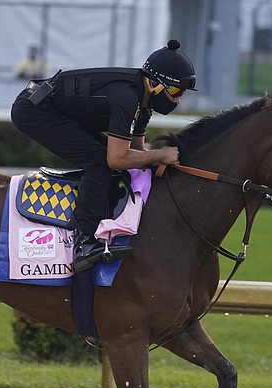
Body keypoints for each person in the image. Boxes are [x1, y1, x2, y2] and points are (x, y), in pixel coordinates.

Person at [11, 39, 197, 272]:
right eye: (175, 90)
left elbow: (136, 153)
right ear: (154, 83)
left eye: (182, 93)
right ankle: (83, 241)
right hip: (34, 111)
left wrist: (157, 159)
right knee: (99, 162)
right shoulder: (127, 98)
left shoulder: (143, 100)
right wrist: (160, 154)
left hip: (55, 108)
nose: (178, 99)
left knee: (110, 160)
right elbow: (117, 159)